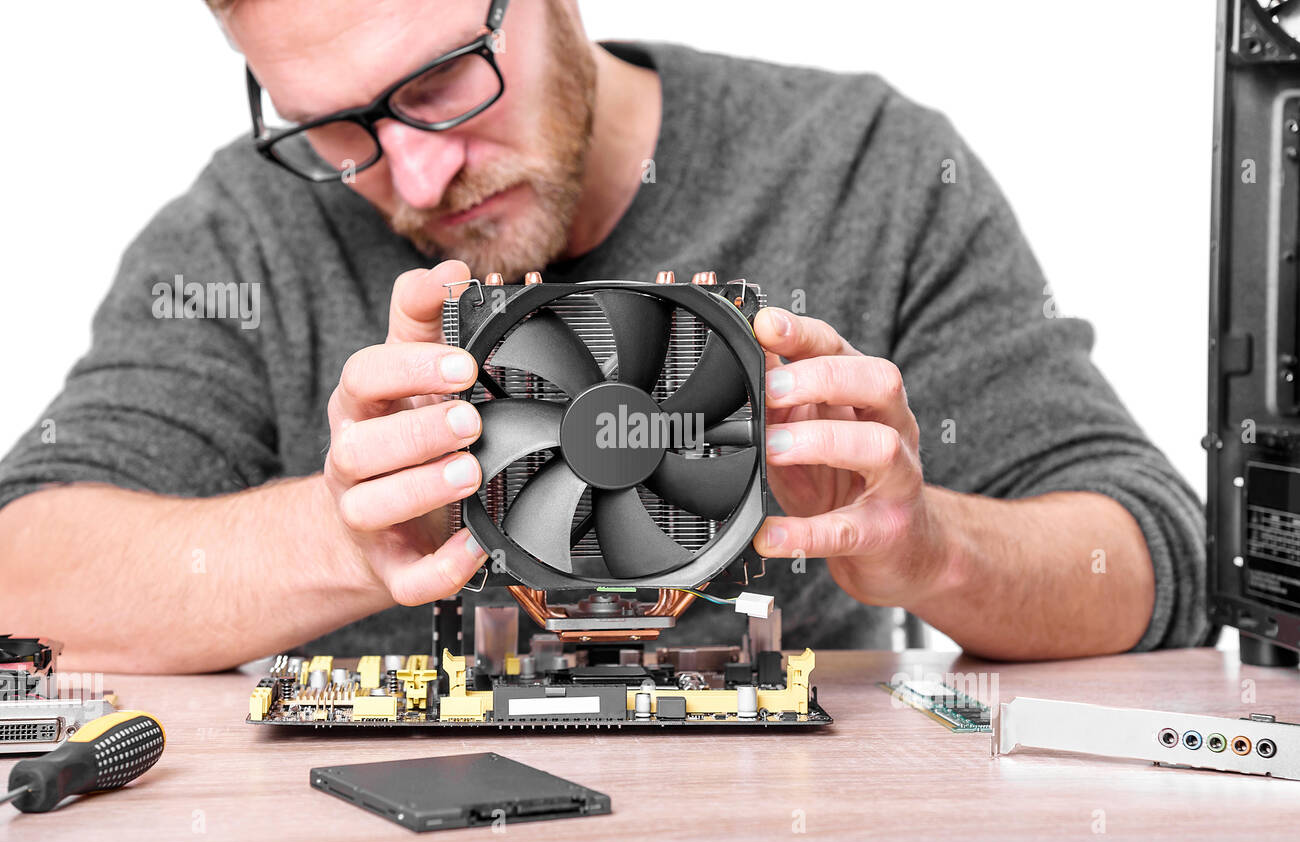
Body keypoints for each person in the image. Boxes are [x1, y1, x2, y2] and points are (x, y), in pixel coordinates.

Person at [0, 0, 1209, 673]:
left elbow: (1156, 565)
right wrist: (343, 535)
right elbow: (22, 571)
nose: (414, 173)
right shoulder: (247, 232)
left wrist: (926, 548)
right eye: (337, 127)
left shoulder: (861, 169)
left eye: (439, 84)